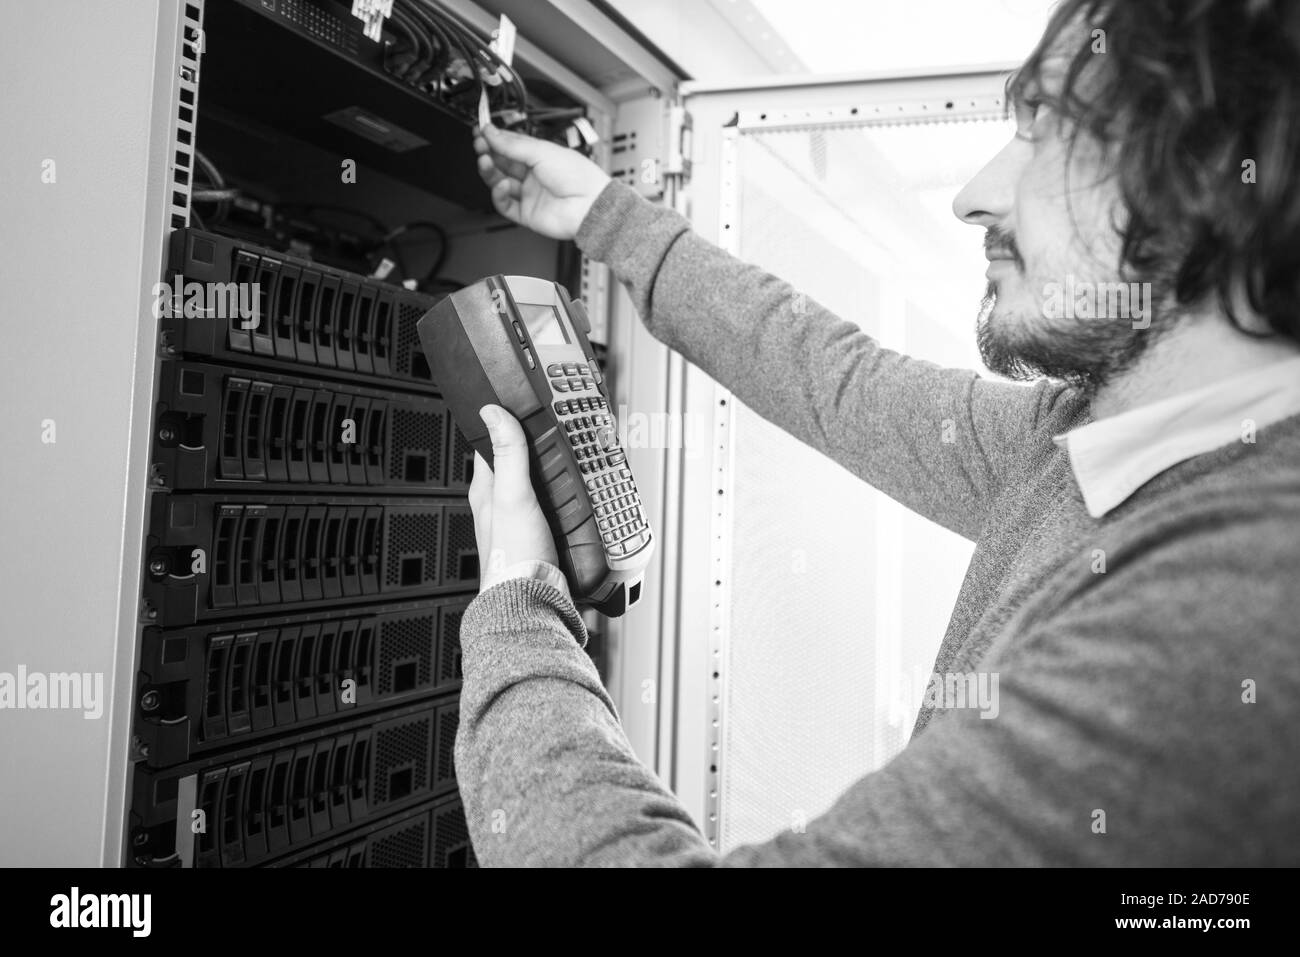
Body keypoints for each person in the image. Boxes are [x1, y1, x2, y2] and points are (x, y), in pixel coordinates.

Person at [455, 0, 1300, 866]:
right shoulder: (1098, 437)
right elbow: (835, 379)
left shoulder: (1215, 620)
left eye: (1045, 128)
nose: (975, 200)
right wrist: (610, 216)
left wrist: (518, 605)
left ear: (1212, 167)